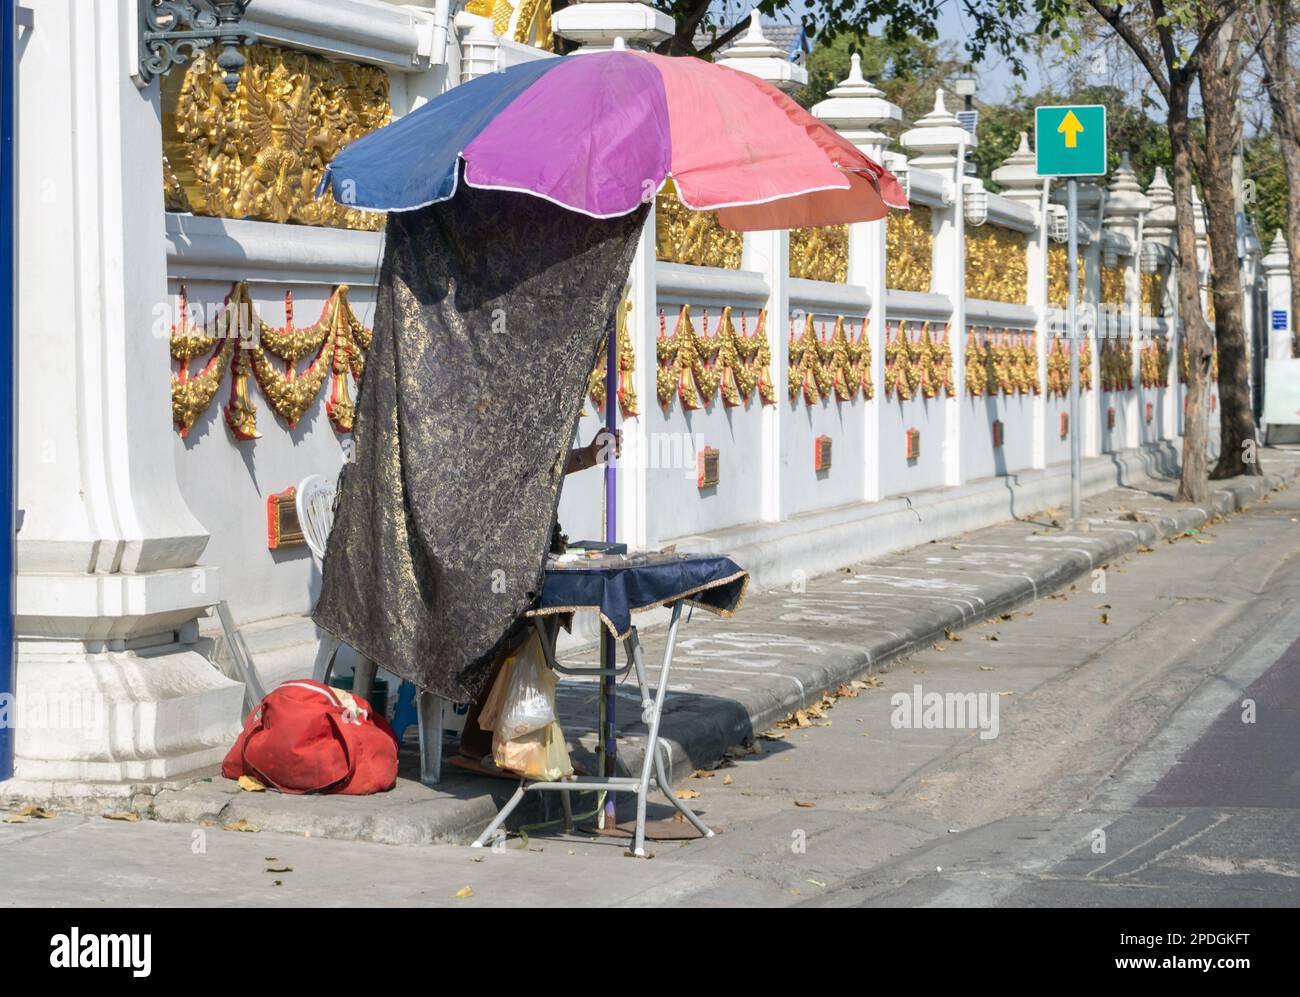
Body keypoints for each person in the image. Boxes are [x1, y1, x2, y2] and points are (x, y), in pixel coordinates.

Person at [451, 428, 619, 774]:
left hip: (533, 542)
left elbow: (542, 465)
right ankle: (482, 741)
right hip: (486, 553)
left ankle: (527, 743)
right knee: (519, 624)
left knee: (545, 622)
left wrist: (588, 456)